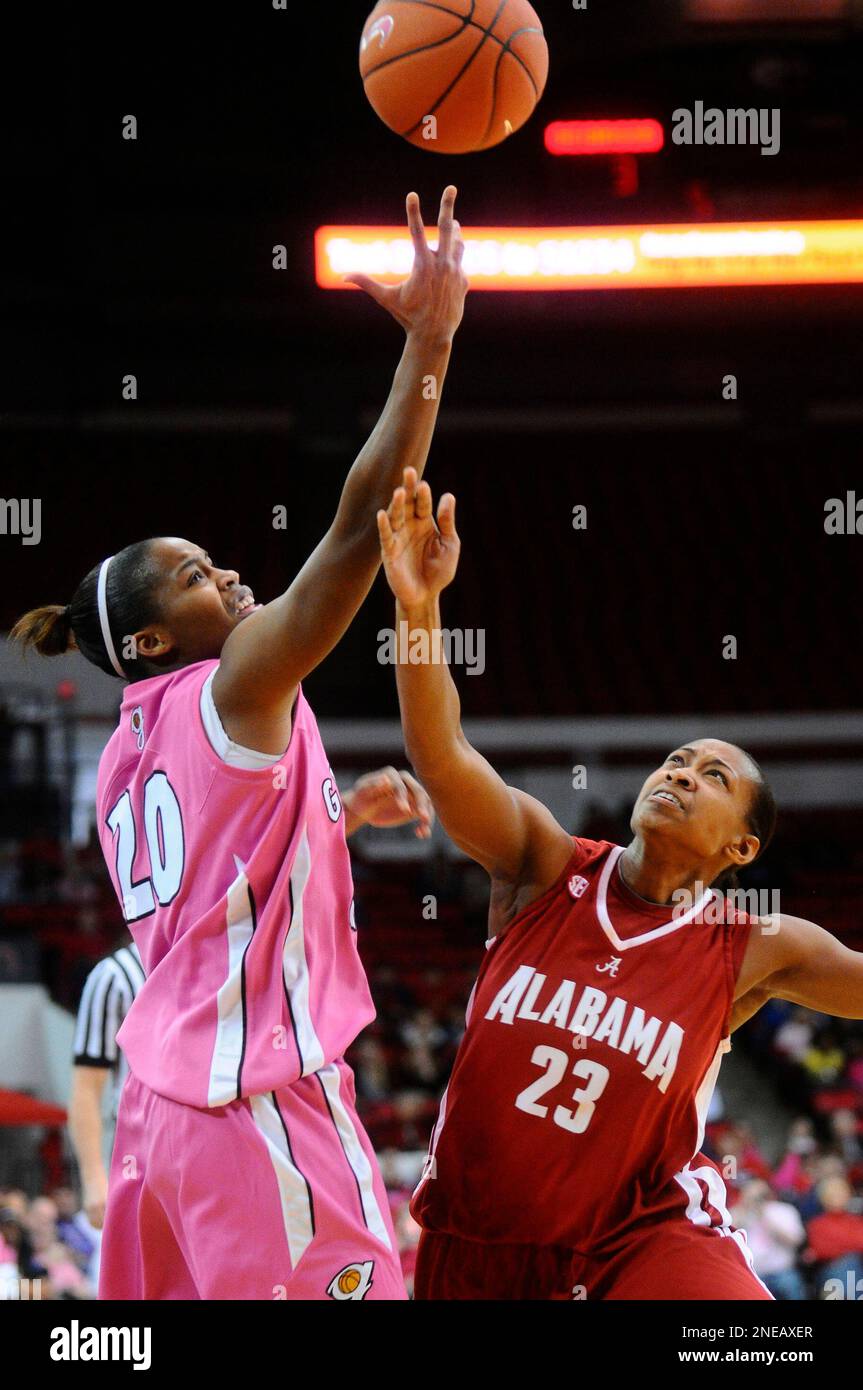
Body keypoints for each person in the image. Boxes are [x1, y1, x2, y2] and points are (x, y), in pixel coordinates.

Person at [10, 189, 468, 1301]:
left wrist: (334, 813)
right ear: (160, 638)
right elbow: (361, 523)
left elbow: (210, 877)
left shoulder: (128, 749)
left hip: (157, 1118)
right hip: (253, 1095)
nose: (221, 572)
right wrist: (428, 340)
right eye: (193, 573)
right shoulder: (228, 686)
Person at [374, 467, 863, 1301]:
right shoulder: (541, 862)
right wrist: (418, 612)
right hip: (475, 1239)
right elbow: (441, 755)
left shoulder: (751, 944)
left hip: (640, 1239)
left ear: (741, 845)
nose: (680, 773)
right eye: (676, 760)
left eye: (711, 775)